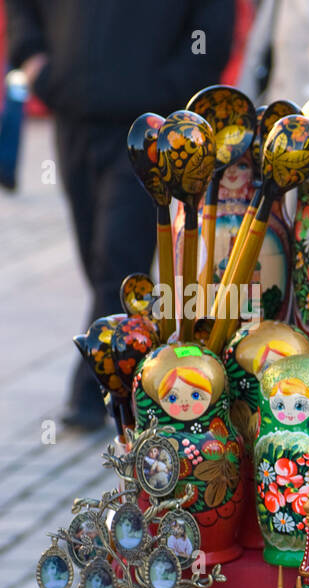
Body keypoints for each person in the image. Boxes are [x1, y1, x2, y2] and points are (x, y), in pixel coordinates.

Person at [5, 0, 234, 430]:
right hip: (74, 115)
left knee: (118, 258)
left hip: (150, 129)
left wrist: (172, 87)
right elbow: (22, 11)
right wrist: (36, 63)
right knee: (96, 257)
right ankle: (132, 364)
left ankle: (94, 390)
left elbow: (212, 27)